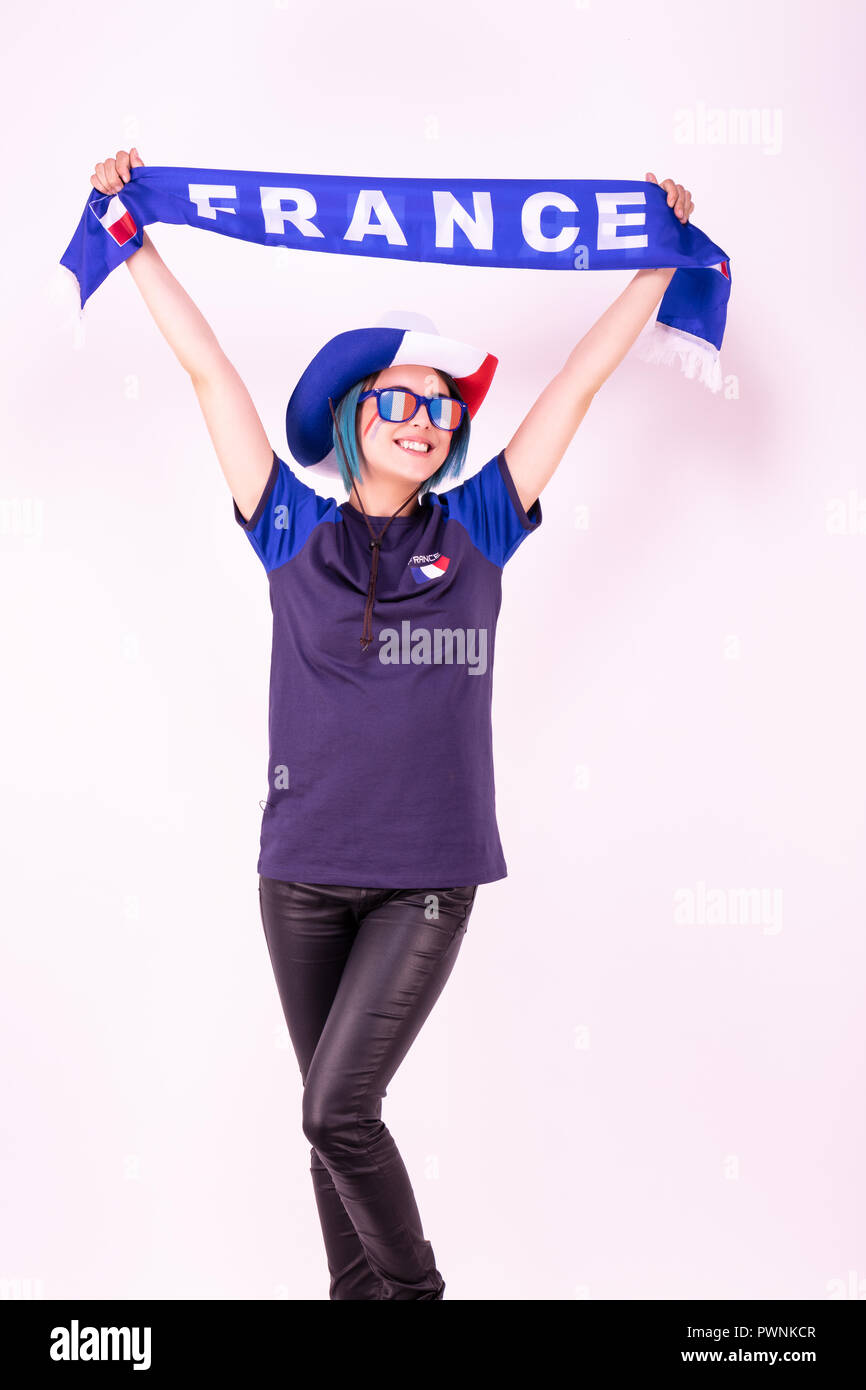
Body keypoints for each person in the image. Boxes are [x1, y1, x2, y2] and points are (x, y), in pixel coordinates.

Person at [90, 147, 694, 1301]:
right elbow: (211, 375)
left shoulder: (478, 520)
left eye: (440, 407)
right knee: (326, 1124)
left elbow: (572, 384)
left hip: (425, 875)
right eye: (401, 400)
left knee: (336, 1106)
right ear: (357, 415)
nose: (423, 418)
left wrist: (651, 265)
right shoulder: (290, 533)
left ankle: (415, 1298)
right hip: (300, 876)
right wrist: (133, 238)